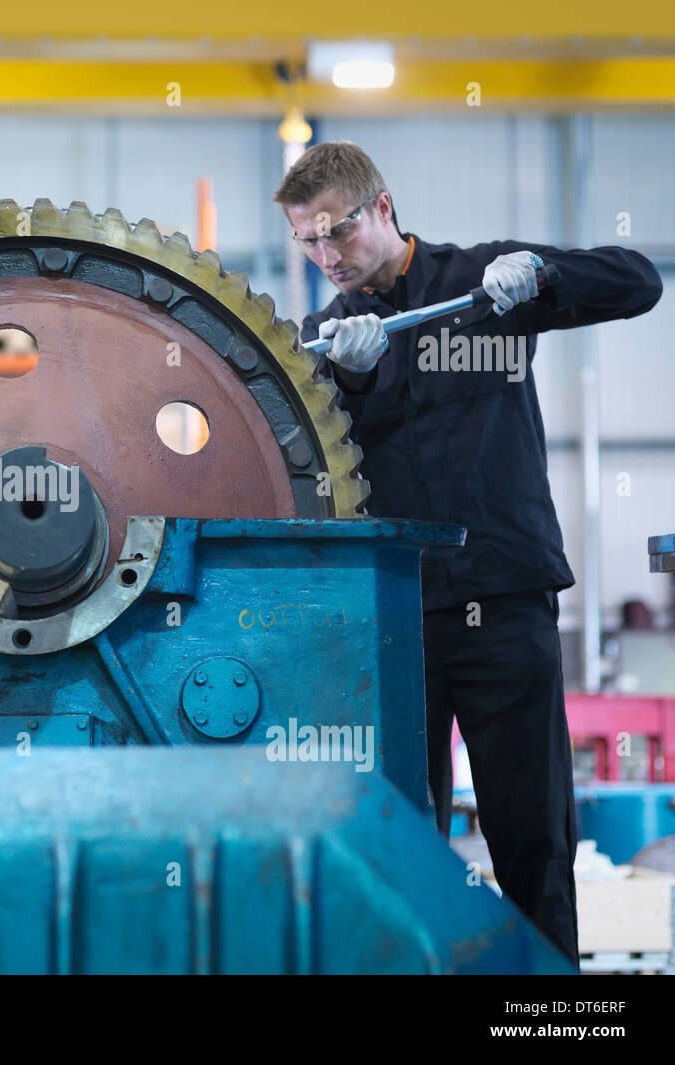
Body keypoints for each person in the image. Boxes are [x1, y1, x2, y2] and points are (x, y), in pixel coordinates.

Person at [273, 141, 662, 967]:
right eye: (307, 242)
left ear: (382, 207)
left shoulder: (486, 284)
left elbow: (639, 281)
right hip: (395, 622)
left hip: (504, 598)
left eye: (337, 231)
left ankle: (550, 1008)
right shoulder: (323, 336)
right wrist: (350, 381)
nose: (326, 256)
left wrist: (546, 276)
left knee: (532, 833)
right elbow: (303, 468)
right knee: (406, 838)